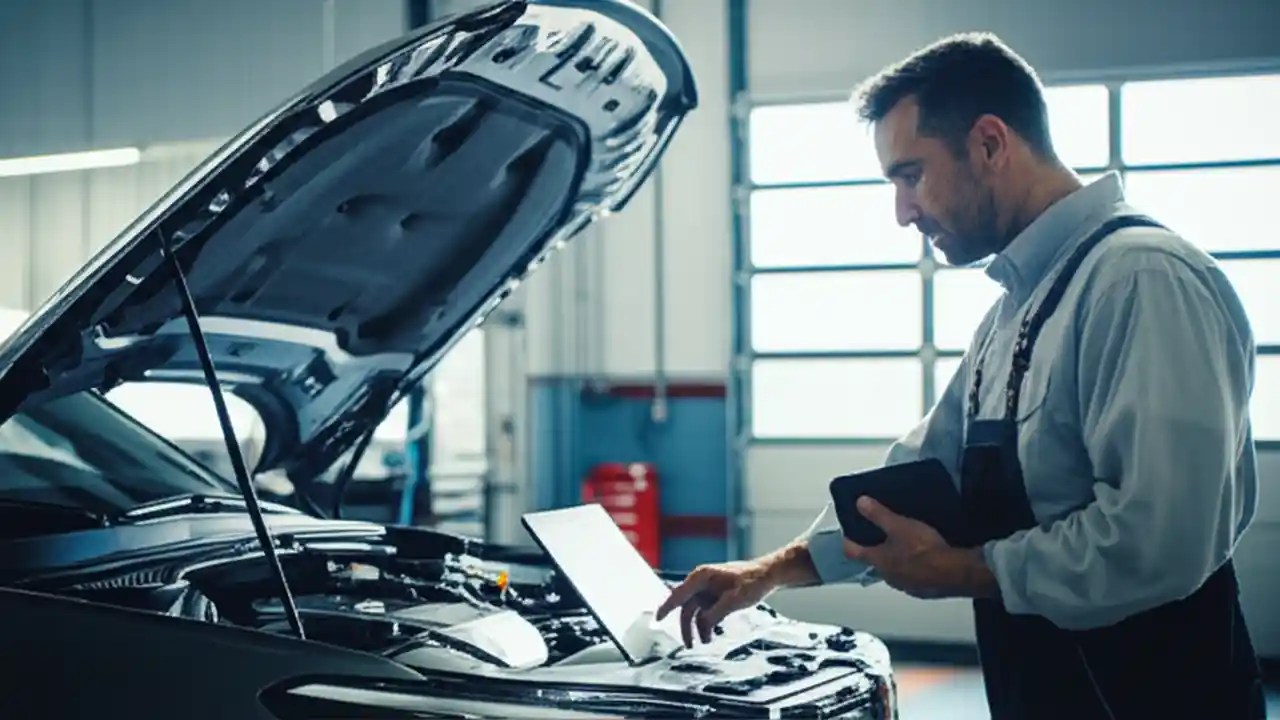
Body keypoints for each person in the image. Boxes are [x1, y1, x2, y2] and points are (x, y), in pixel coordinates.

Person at [657, 32, 1265, 719]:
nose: (903, 212)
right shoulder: (1016, 314)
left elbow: (1160, 542)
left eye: (910, 175)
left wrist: (964, 573)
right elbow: (921, 475)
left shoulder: (1142, 280)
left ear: (989, 143)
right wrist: (767, 572)